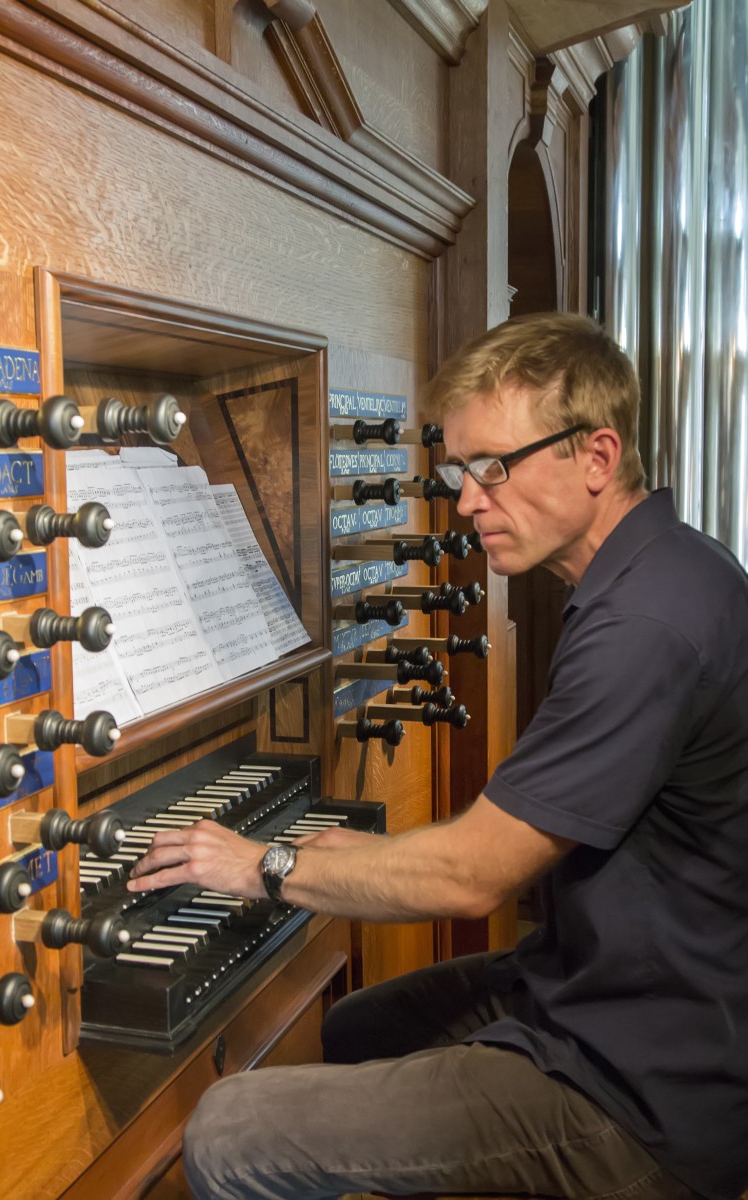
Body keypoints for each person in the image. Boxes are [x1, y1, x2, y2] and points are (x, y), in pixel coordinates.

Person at [127, 312, 748, 1200]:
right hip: (618, 994)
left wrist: (266, 861)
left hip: (641, 1095)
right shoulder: (667, 569)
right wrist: (348, 860)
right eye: (460, 470)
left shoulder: (644, 626)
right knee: (362, 1025)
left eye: (494, 467)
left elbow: (473, 880)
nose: (465, 501)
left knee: (229, 1131)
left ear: (598, 459)